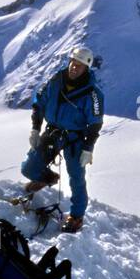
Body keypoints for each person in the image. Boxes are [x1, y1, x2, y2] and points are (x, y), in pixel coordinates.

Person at [22, 47, 103, 233]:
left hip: (75, 139)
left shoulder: (93, 94)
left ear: (86, 68)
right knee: (28, 168)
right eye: (73, 63)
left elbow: (95, 123)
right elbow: (39, 103)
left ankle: (76, 216)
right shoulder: (55, 81)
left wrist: (88, 148)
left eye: (80, 66)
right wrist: (35, 129)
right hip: (53, 133)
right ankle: (45, 178)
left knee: (76, 177)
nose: (75, 68)